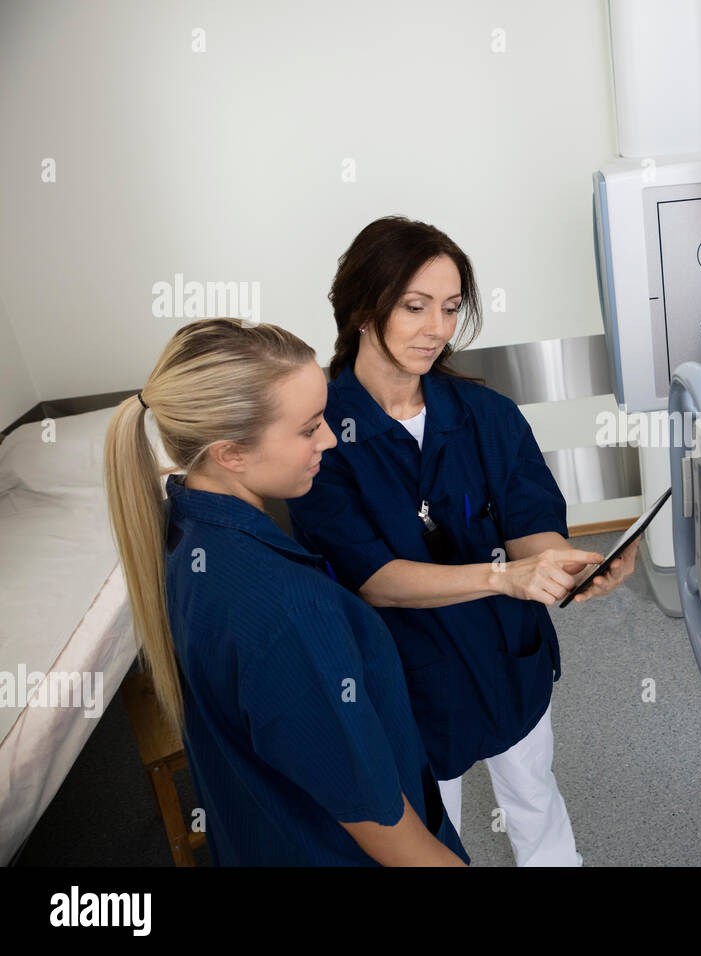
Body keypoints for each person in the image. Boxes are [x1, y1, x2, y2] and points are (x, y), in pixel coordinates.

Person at [287, 217, 636, 867]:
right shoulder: (322, 438)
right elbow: (376, 579)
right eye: (414, 306)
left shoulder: (485, 415)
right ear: (361, 309)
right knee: (430, 829)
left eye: (450, 308)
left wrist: (565, 565)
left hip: (507, 654)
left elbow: (530, 521)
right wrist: (502, 578)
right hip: (408, 675)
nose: (437, 329)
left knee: (533, 794)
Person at [104, 318, 467, 865]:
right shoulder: (285, 606)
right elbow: (381, 823)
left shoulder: (186, 528)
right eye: (309, 428)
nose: (330, 439)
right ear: (231, 453)